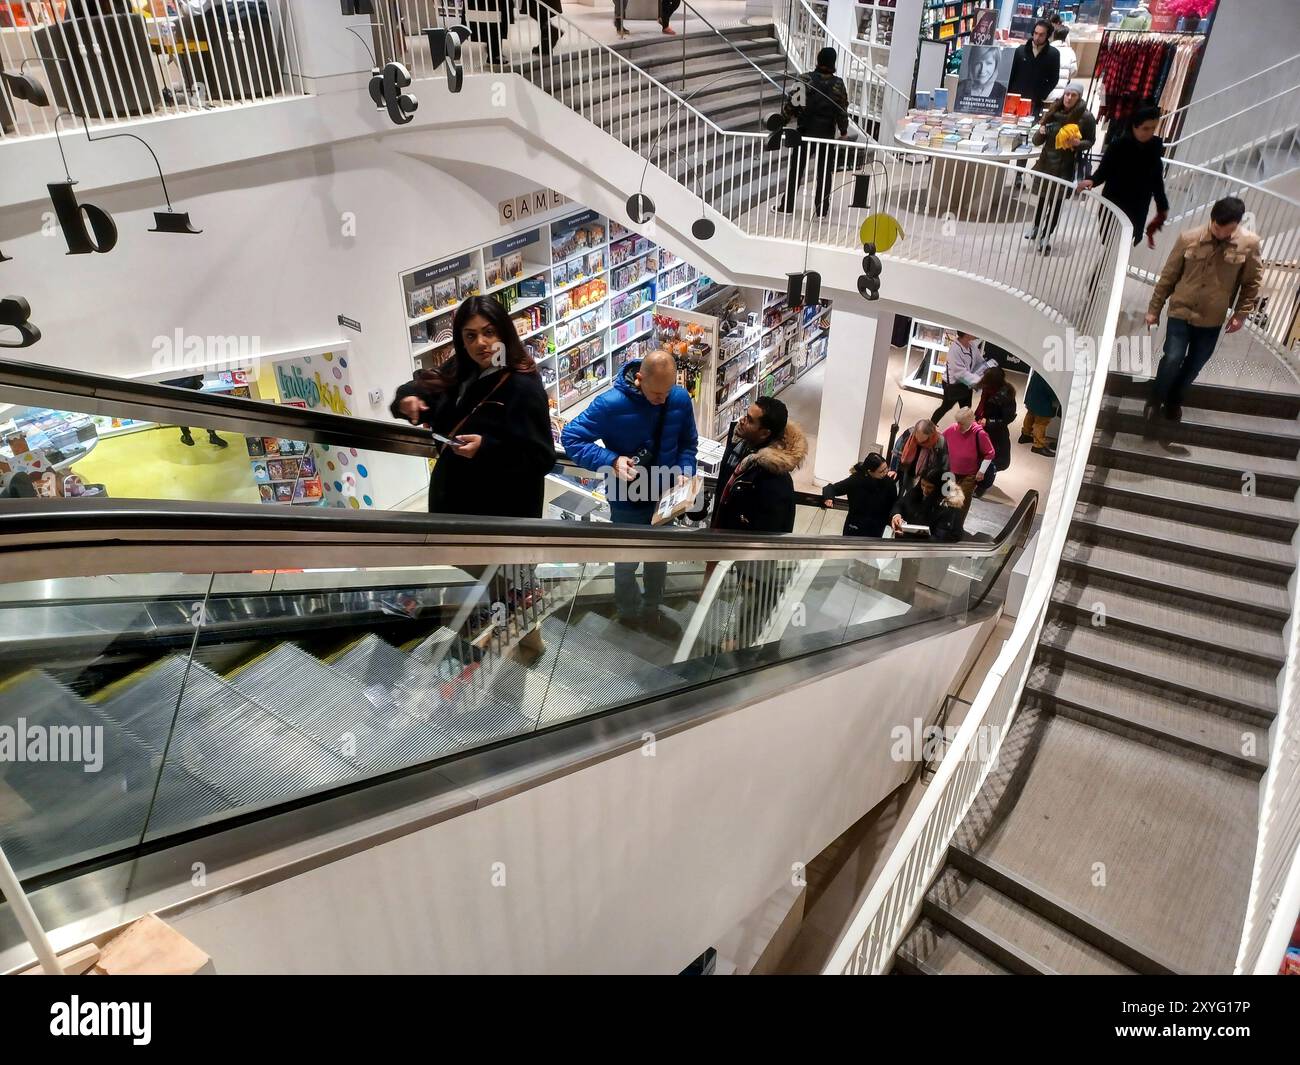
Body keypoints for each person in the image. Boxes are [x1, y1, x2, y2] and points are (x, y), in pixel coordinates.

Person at [562, 349, 698, 634]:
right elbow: (571, 437)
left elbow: (688, 442)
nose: (663, 400)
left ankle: (652, 609)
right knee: (625, 561)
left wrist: (685, 468)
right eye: (656, 394)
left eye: (668, 391)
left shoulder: (679, 398)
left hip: (664, 496)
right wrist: (610, 459)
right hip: (626, 496)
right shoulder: (610, 404)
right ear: (639, 379)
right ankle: (627, 612)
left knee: (657, 558)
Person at [391, 295, 555, 517]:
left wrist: (486, 449)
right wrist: (408, 398)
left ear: (504, 333)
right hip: (451, 500)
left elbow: (541, 458)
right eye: (471, 336)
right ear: (462, 340)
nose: (480, 343)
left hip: (498, 513)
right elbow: (424, 385)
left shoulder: (523, 386)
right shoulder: (461, 367)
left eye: (489, 332)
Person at [1144, 196, 1264, 425]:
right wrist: (1154, 309)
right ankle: (1155, 399)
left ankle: (1173, 400)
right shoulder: (1189, 238)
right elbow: (1168, 276)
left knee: (1195, 363)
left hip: (1212, 318)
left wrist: (1241, 314)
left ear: (1236, 224)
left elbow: (1252, 283)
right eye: (1215, 226)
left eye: (1224, 229)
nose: (1218, 232)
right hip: (1181, 311)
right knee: (1173, 357)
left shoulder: (1249, 244)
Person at [772, 47, 850, 219]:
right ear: (833, 62)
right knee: (824, 174)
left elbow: (791, 105)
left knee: (796, 170)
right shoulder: (838, 84)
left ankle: (787, 206)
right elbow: (842, 111)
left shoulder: (804, 79)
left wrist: (780, 123)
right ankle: (822, 211)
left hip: (805, 132)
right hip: (827, 135)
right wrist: (843, 131)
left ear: (818, 59)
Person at [712, 397, 807, 534]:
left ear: (765, 433)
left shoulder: (775, 480)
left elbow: (770, 536)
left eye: (750, 420)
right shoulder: (739, 444)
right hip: (719, 537)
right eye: (746, 415)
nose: (742, 421)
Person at [1079, 106, 1169, 248]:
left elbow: (1156, 180)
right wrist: (1092, 180)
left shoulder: (1154, 147)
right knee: (1110, 243)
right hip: (1115, 201)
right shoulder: (1118, 145)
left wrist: (1162, 206)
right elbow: (1104, 170)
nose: (1150, 133)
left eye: (1153, 128)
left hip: (1138, 206)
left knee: (1124, 244)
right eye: (1146, 128)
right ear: (1134, 126)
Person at [1026, 82, 1095, 254]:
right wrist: (1041, 132)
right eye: (1067, 94)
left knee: (1055, 204)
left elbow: (1090, 141)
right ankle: (1035, 228)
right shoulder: (1053, 111)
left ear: (1079, 97)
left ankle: (1046, 236)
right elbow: (1036, 141)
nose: (1069, 98)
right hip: (1045, 163)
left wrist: (1078, 143)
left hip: (1065, 166)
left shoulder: (1085, 117)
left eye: (1073, 95)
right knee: (1042, 199)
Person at [821, 452, 897, 537]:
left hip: (876, 530)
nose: (885, 472)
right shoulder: (856, 480)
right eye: (881, 471)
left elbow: (894, 505)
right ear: (870, 471)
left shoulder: (889, 483)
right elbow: (832, 488)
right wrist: (829, 498)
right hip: (855, 528)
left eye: (886, 468)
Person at [942, 407, 994, 531]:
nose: (958, 426)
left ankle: (957, 529)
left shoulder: (979, 433)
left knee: (961, 503)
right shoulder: (952, 429)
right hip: (951, 472)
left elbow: (990, 453)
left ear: (970, 422)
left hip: (969, 475)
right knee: (948, 499)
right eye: (958, 422)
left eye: (962, 423)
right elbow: (941, 439)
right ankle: (945, 525)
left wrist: (981, 471)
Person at [974, 366, 1017, 496]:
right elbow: (982, 407)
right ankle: (977, 480)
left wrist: (989, 422)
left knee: (992, 460)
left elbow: (1007, 419)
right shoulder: (988, 391)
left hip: (996, 435)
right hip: (982, 429)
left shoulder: (1006, 396)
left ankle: (983, 484)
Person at [889, 467, 963, 543]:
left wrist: (910, 535)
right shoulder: (917, 492)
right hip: (906, 540)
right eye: (923, 485)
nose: (924, 490)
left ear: (939, 487)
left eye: (930, 487)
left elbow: (943, 537)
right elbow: (900, 504)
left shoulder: (949, 507)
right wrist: (897, 515)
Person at [1008, 19, 1060, 118]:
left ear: (1047, 36)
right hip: (1016, 98)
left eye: (1041, 35)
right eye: (1035, 33)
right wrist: (1010, 94)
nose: (1037, 37)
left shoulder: (1053, 54)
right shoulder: (1020, 51)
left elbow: (1054, 78)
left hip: (1036, 100)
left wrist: (1042, 94)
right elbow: (1011, 73)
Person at [162, 374, 229, 449]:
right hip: (189, 385)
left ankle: (187, 437)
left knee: (180, 414)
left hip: (172, 391)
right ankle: (212, 435)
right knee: (201, 411)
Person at [932, 331, 984, 423]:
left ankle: (964, 431)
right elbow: (960, 373)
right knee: (946, 407)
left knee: (966, 410)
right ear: (967, 334)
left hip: (967, 384)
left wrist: (987, 368)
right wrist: (979, 382)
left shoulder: (972, 345)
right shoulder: (955, 350)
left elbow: (979, 361)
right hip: (954, 385)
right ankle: (931, 425)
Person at [890, 418, 949, 495]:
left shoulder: (940, 442)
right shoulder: (910, 433)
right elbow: (896, 452)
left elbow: (944, 464)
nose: (919, 441)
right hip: (906, 469)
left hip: (924, 476)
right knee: (901, 489)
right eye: (917, 437)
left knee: (916, 495)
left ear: (930, 435)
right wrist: (893, 469)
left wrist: (942, 485)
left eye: (923, 440)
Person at [954, 45, 1006, 116]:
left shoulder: (1003, 93)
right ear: (971, 63)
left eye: (989, 63)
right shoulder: (959, 88)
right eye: (978, 62)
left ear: (996, 66)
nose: (982, 70)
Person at [1019, 371, 1058, 457]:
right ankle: (1038, 446)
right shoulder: (1053, 374)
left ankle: (1025, 435)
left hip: (1032, 398)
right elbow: (1052, 391)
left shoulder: (1040, 369)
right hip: (1044, 403)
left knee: (1030, 415)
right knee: (1041, 423)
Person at [1046, 26, 1078, 102]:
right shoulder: (1070, 52)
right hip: (1060, 95)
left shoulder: (1046, 50)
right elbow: (1074, 71)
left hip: (1044, 92)